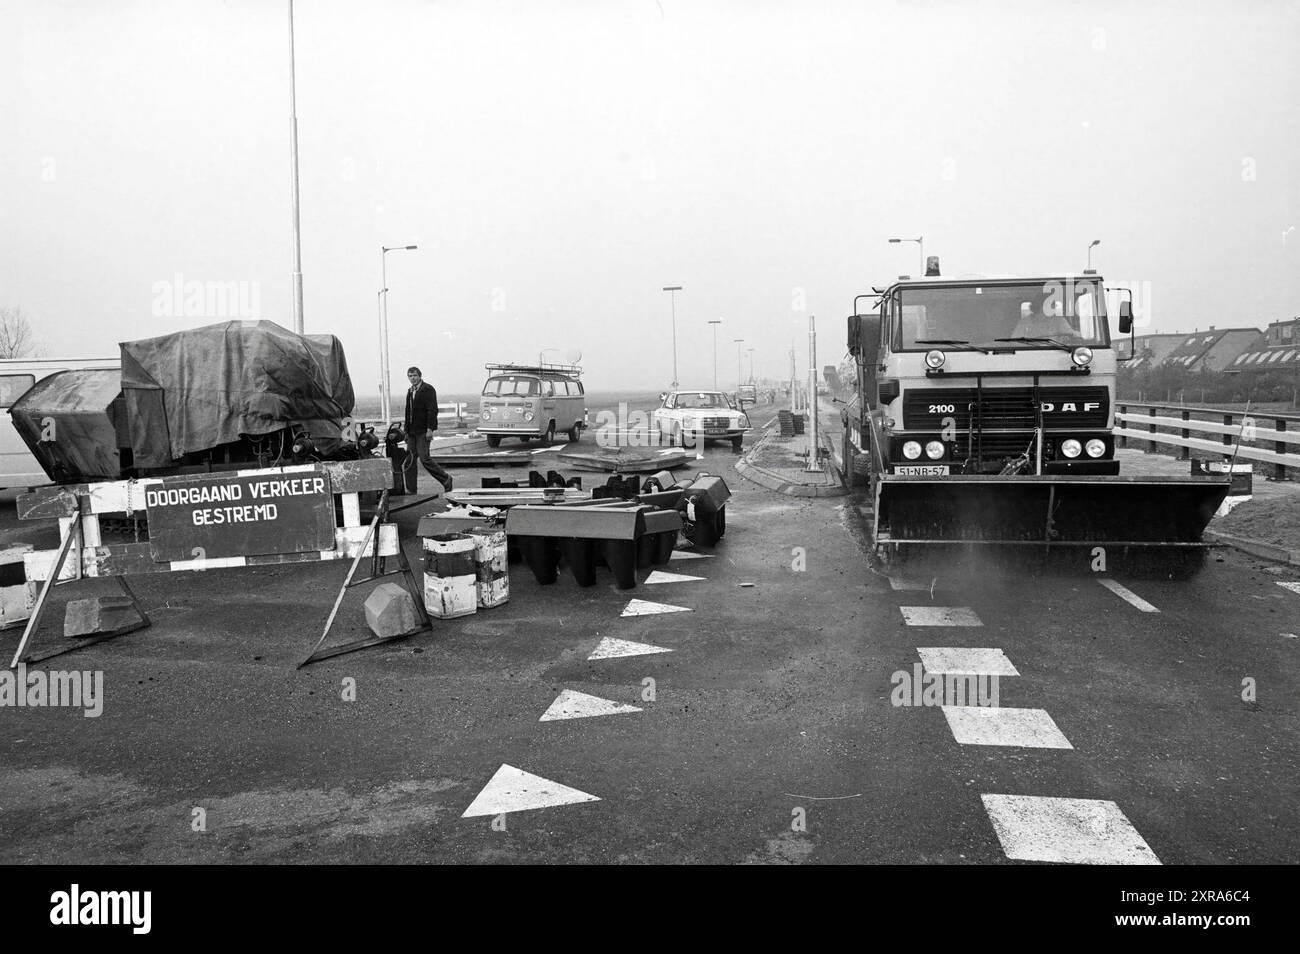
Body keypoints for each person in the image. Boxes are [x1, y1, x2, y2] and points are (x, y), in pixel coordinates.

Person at [403, 366, 453, 493]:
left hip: (423, 430)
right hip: (412, 432)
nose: (412, 378)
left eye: (414, 375)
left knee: (425, 458)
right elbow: (408, 412)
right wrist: (406, 431)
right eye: (410, 376)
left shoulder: (428, 389)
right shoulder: (410, 391)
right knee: (409, 460)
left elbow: (432, 410)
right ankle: (411, 489)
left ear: (419, 376)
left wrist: (430, 429)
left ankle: (446, 479)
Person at [1011, 299, 1079, 340]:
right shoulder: (1025, 321)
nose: (1053, 308)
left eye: (1053, 306)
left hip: (1056, 350)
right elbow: (1015, 340)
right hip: (1030, 352)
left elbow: (1070, 333)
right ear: (1039, 306)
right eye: (1051, 305)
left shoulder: (1059, 320)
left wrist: (1080, 335)